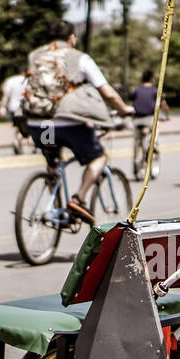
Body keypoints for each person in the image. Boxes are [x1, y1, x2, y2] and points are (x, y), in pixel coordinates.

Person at [22, 19, 132, 221]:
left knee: (52, 156)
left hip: (41, 124)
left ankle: (52, 195)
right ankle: (78, 199)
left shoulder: (34, 56)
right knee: (98, 157)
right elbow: (107, 92)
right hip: (69, 124)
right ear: (71, 37)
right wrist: (124, 109)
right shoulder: (80, 58)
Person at [0, 69, 30, 155]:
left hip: (13, 108)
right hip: (25, 108)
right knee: (25, 129)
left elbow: (5, 95)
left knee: (17, 126)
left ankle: (18, 143)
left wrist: (2, 107)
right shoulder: (28, 80)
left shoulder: (10, 80)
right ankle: (19, 141)